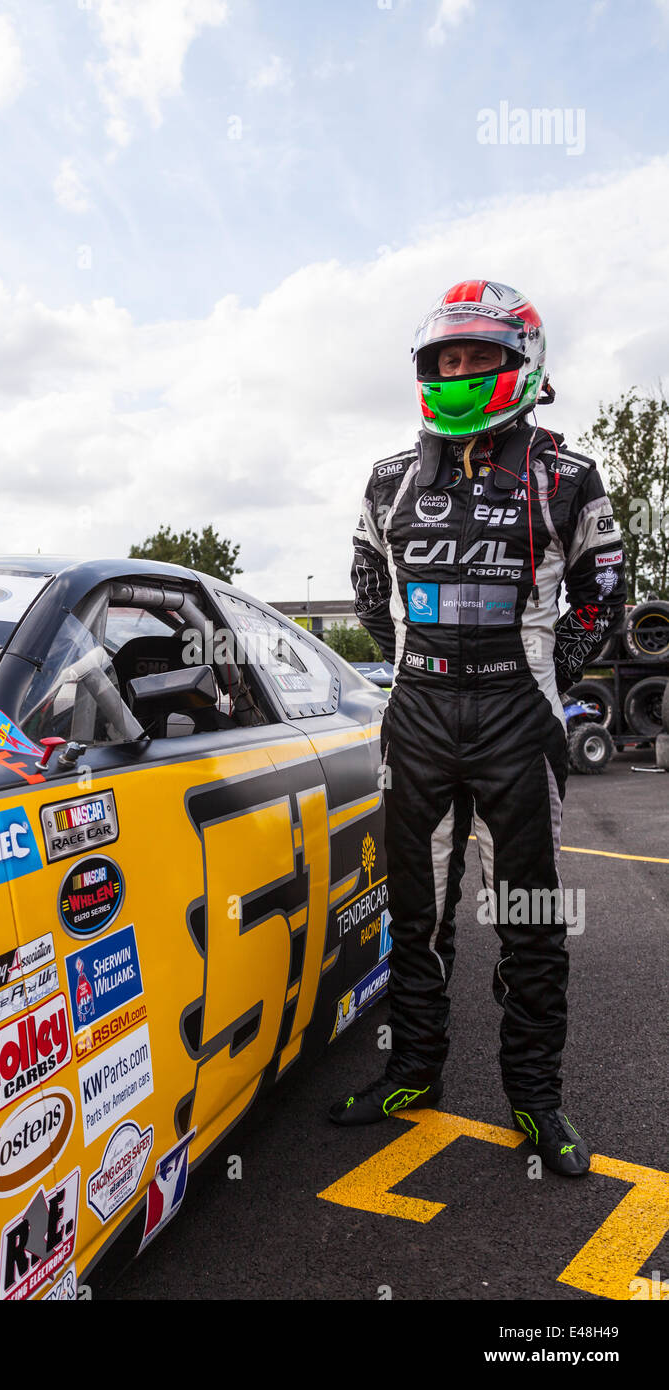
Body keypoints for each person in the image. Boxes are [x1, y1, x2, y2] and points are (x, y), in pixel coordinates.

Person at [329, 280, 627, 1176]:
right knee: (413, 915)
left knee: (526, 921)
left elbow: (602, 592)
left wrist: (539, 681)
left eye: (475, 357)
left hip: (517, 725)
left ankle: (534, 1097)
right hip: (416, 719)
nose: (457, 372)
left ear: (520, 361)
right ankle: (414, 1071)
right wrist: (423, 668)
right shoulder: (388, 478)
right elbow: (369, 593)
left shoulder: (567, 476)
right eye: (443, 360)